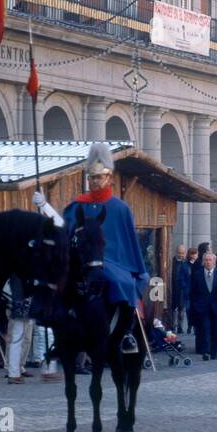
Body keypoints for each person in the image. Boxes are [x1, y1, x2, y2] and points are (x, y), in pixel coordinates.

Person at [46, 142, 148, 354]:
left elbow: (127, 242)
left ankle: (127, 333)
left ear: (109, 177)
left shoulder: (121, 208)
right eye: (91, 177)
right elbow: (65, 232)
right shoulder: (76, 206)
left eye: (99, 177)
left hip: (113, 261)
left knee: (123, 283)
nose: (94, 181)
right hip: (81, 260)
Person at [190, 250, 217, 359]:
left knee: (215, 330)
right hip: (202, 307)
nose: (208, 262)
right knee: (205, 329)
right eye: (206, 260)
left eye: (210, 260)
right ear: (203, 262)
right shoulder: (197, 274)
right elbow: (192, 291)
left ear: (214, 262)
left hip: (216, 306)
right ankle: (206, 351)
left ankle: (214, 351)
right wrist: (195, 304)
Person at [170, 245, 190, 333]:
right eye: (179, 253)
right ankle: (172, 325)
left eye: (182, 253)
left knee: (182, 309)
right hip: (173, 288)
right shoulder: (171, 262)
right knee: (173, 308)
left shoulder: (187, 263)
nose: (181, 255)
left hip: (183, 289)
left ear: (185, 253)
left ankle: (180, 327)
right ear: (176, 252)